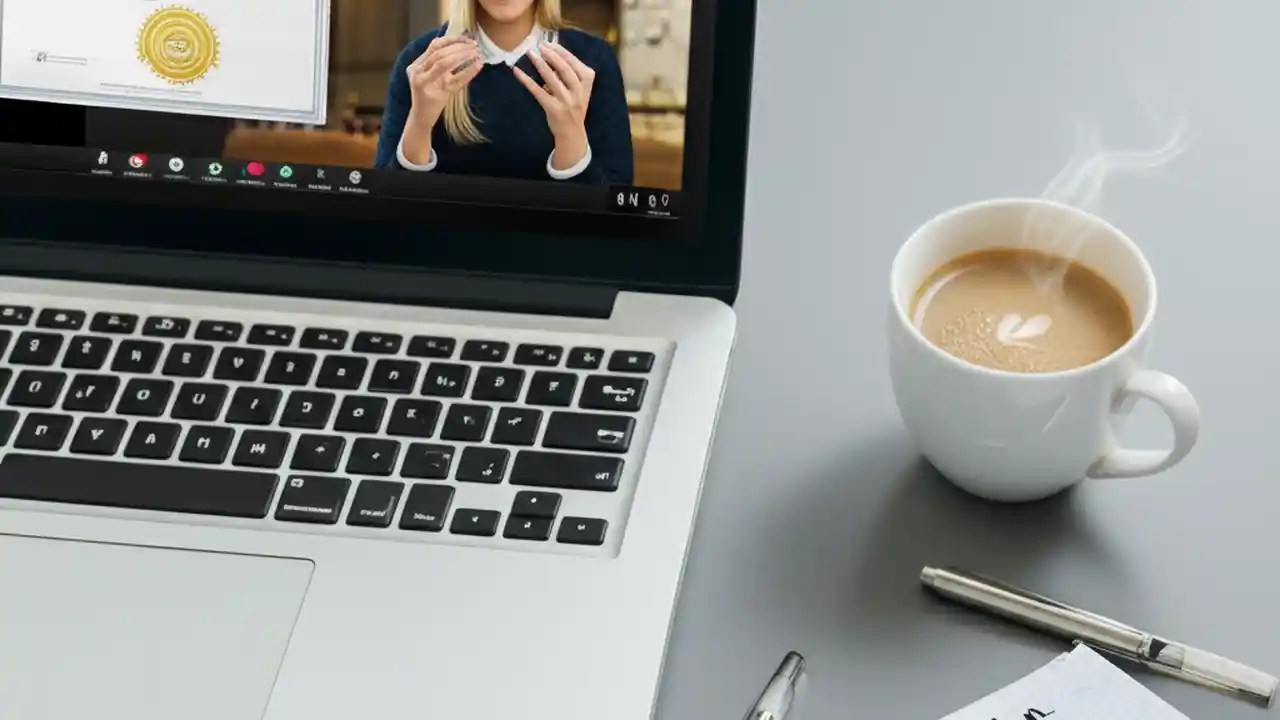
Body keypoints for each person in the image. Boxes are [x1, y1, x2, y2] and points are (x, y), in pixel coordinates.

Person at [375, 0, 634, 185]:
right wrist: (420, 122)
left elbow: (617, 209)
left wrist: (570, 135)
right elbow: (384, 204)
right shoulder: (422, 64)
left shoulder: (593, 61)